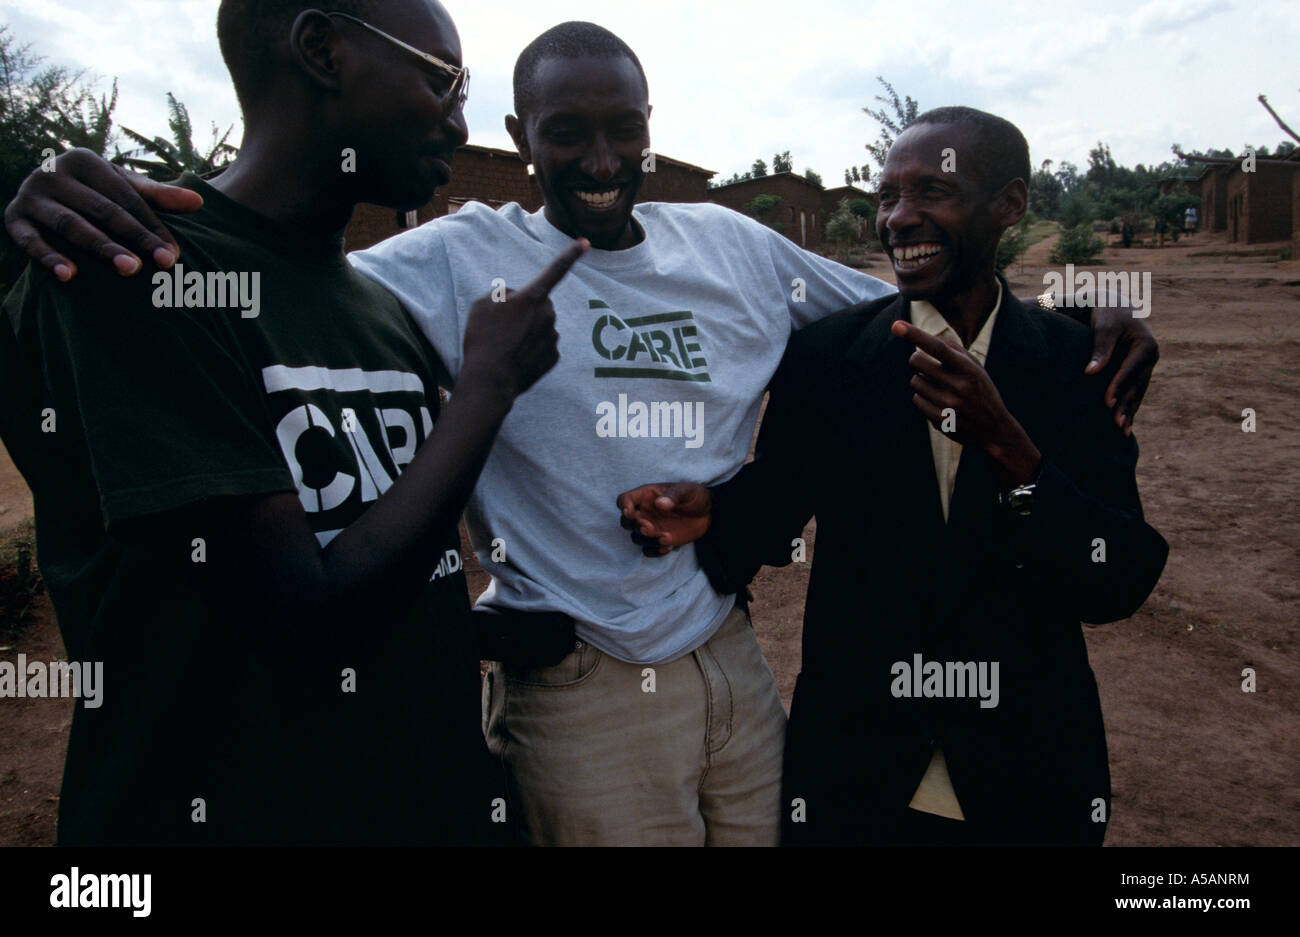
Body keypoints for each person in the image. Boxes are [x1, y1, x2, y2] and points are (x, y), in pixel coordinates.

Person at [3, 23, 1161, 846]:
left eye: (624, 130)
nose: (601, 161)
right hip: (583, 679)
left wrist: (1083, 317)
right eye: (567, 133)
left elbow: (907, 301)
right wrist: (69, 193)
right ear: (520, 134)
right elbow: (275, 272)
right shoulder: (443, 265)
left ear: (653, 128)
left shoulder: (735, 250)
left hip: (730, 659)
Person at [0, 0, 586, 845]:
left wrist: (512, 625)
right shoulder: (135, 266)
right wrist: (487, 389)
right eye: (444, 81)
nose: (459, 125)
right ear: (321, 49)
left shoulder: (380, 311)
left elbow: (388, 560)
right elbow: (311, 624)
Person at [618, 107, 1169, 846]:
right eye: (886, 197)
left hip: (1026, 779)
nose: (899, 218)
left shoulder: (1077, 366)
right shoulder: (828, 358)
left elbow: (1117, 578)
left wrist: (1010, 450)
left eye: (932, 192)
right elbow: (775, 505)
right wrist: (709, 510)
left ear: (1009, 204)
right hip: (857, 781)